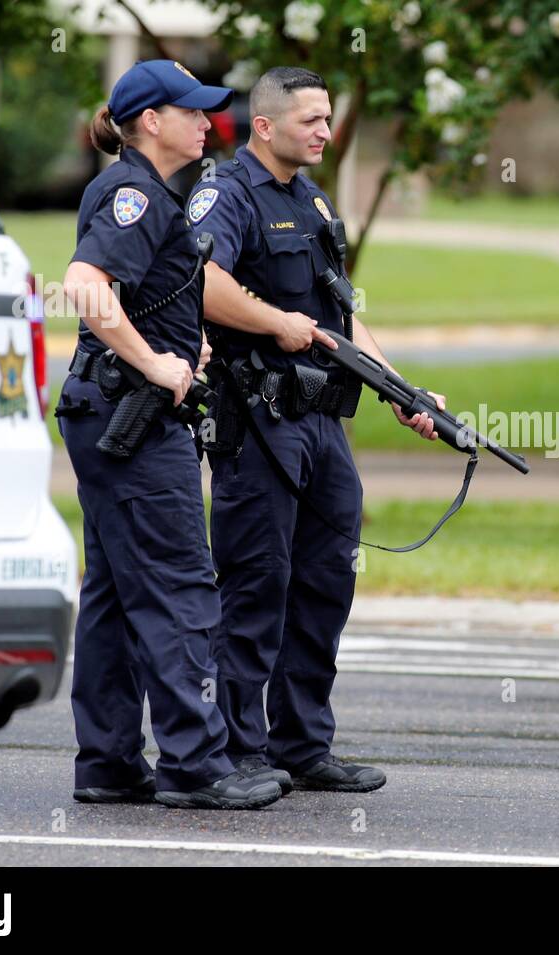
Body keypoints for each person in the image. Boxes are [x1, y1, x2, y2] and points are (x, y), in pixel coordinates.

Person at [187, 67, 443, 793]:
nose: (327, 132)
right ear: (265, 126)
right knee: (255, 587)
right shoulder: (226, 194)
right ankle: (239, 750)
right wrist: (276, 324)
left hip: (326, 425)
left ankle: (303, 745)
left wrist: (397, 387)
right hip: (261, 422)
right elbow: (202, 282)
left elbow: (339, 316)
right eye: (312, 121)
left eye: (328, 118)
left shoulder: (314, 198)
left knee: (326, 585)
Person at [56, 60, 281, 809]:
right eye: (193, 111)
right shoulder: (132, 193)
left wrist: (184, 345)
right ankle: (195, 764)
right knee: (183, 584)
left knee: (119, 592)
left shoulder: (148, 192)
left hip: (111, 410)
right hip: (132, 420)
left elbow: (144, 292)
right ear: (151, 120)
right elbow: (87, 286)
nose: (208, 124)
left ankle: (110, 762)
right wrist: (155, 360)